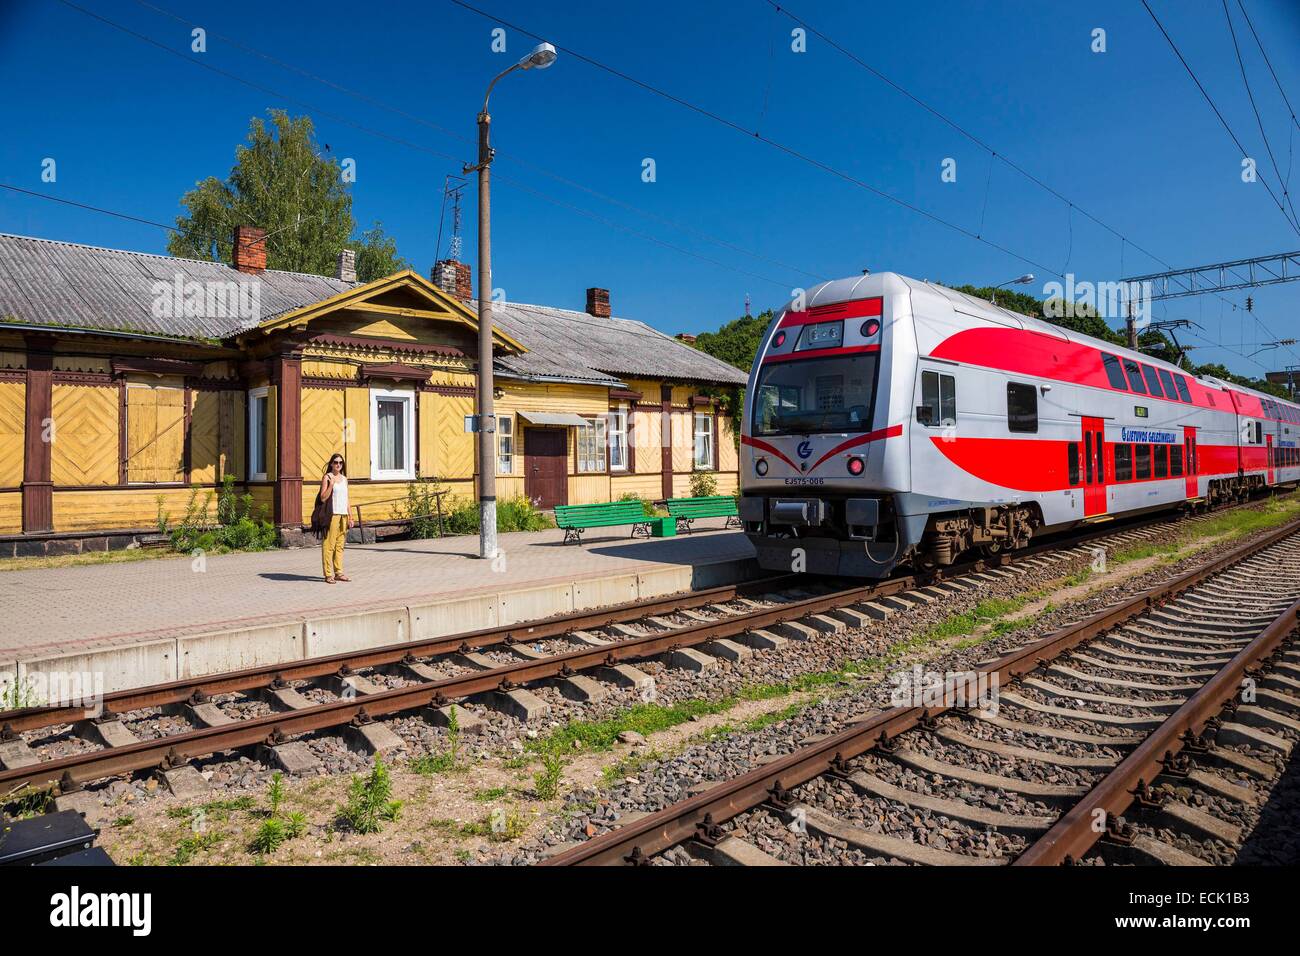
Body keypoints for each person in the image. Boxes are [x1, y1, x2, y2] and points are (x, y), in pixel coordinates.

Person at [318, 454, 353, 583]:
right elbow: (323, 497)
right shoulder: (327, 477)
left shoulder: (344, 479)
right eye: (336, 462)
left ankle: (338, 572)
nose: (338, 465)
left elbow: (347, 499)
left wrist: (351, 516)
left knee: (340, 546)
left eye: (340, 463)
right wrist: (331, 485)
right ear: (331, 464)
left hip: (343, 515)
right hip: (332, 515)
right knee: (329, 545)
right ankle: (328, 574)